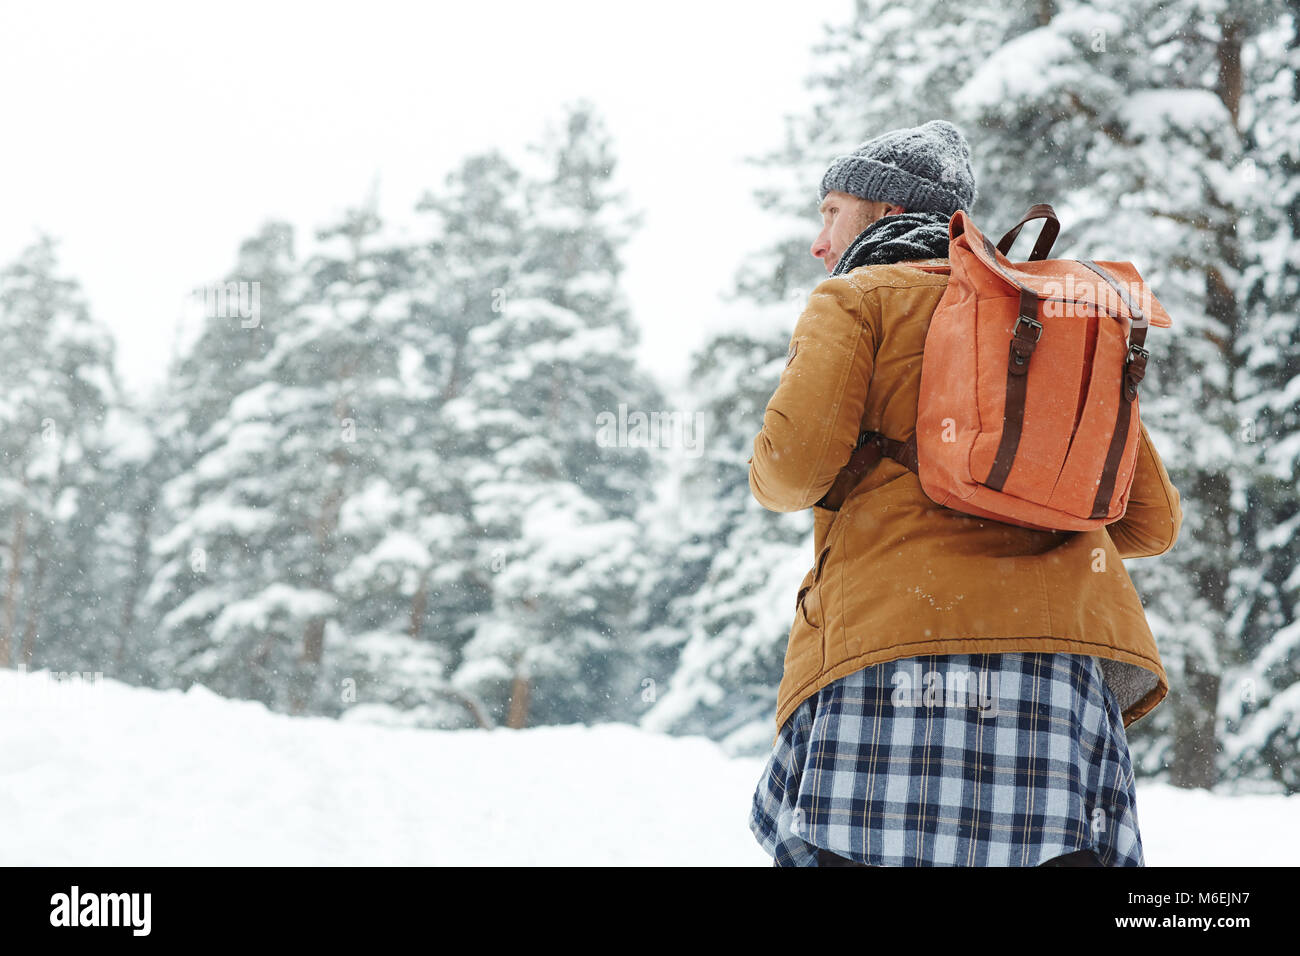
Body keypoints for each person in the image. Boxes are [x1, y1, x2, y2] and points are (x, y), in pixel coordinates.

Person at [745, 119, 1184, 867]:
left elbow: (791, 473)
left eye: (830, 213)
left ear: (885, 213)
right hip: (1056, 688)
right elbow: (1148, 523)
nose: (820, 243)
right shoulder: (1048, 313)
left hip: (891, 662)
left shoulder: (856, 300)